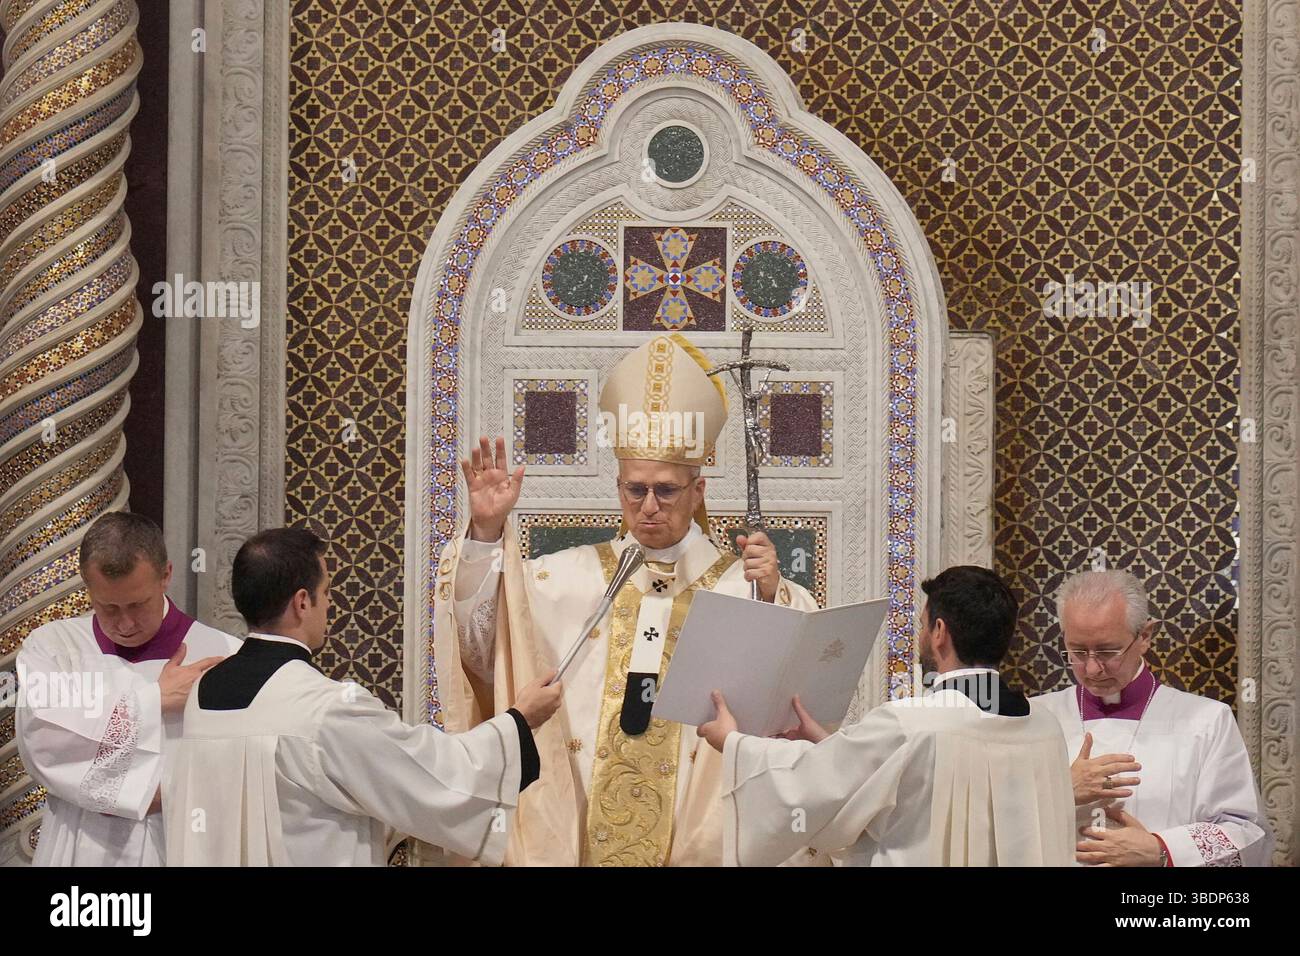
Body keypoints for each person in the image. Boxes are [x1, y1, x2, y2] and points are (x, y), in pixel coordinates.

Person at [436, 333, 820, 865]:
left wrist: (775, 593)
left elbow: (800, 696)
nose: (649, 507)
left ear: (698, 491)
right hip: (579, 838)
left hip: (698, 838)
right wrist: (484, 531)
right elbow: (480, 644)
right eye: (634, 490)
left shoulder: (745, 587)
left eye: (666, 490)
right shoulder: (564, 581)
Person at [164, 528, 562, 866]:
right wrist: (519, 722)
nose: (330, 603)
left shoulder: (202, 693)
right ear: (303, 602)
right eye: (326, 591)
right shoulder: (323, 708)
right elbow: (434, 776)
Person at [698, 566, 1075, 866]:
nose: (921, 633)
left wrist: (733, 743)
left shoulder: (909, 723)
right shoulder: (1044, 726)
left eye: (924, 623)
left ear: (939, 631)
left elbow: (809, 789)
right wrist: (831, 745)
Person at [16, 511, 239, 865]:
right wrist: (153, 702)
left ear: (166, 575)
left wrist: (170, 791)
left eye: (138, 604)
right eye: (109, 607)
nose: (125, 623)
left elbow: (241, 766)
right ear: (87, 586)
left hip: (180, 845)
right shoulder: (54, 648)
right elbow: (44, 742)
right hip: (80, 848)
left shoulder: (225, 655)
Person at [1033, 569, 1272, 866]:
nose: (1093, 669)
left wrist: (1162, 850)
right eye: (1078, 652)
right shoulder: (1033, 717)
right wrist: (1058, 791)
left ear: (1144, 636)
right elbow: (985, 823)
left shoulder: (1207, 721)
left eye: (1108, 652)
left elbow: (1247, 833)